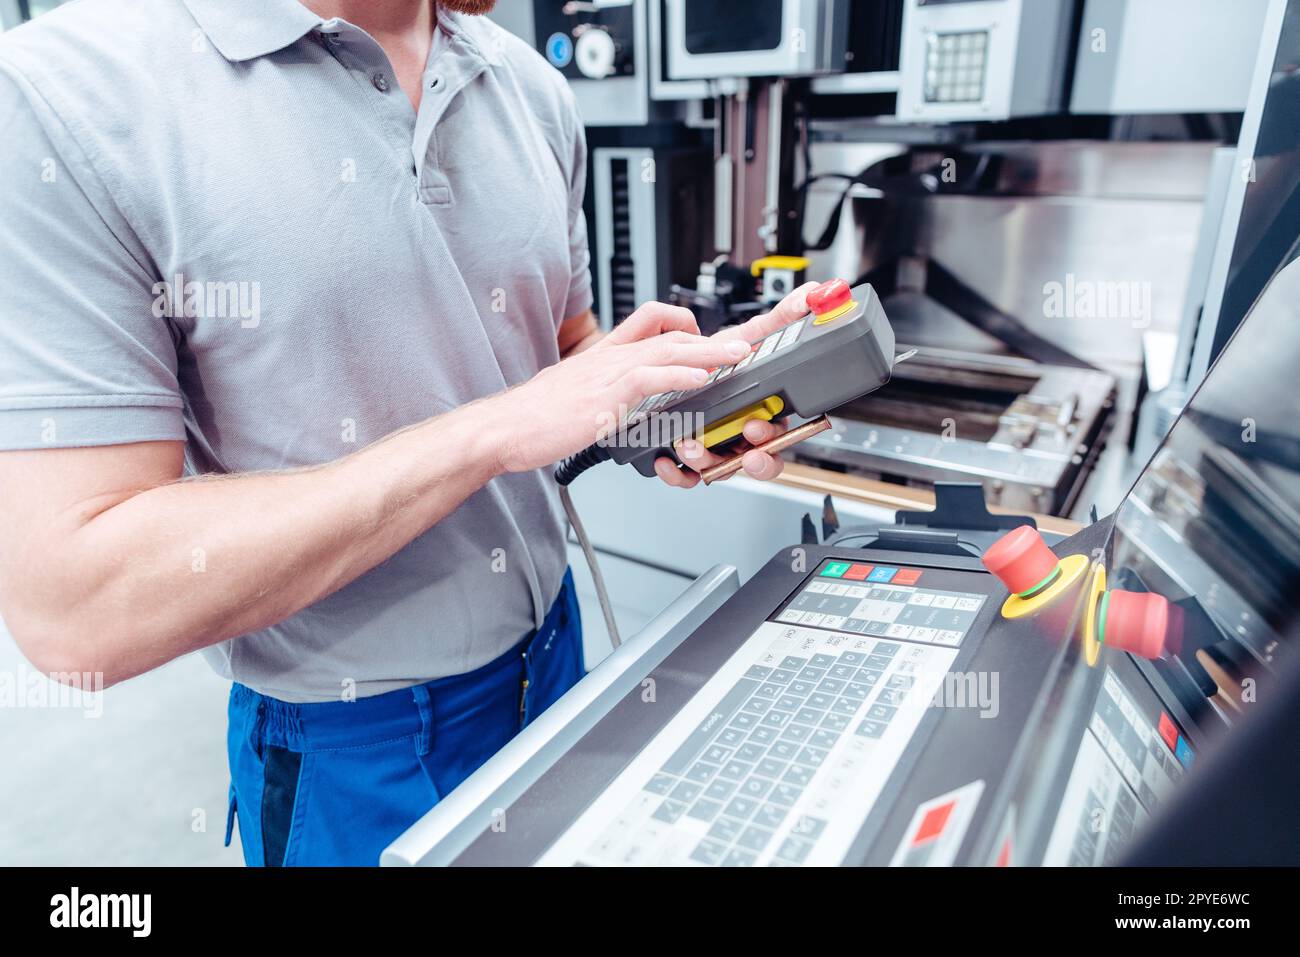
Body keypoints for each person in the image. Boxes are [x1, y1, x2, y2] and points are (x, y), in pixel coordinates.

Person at [0, 0, 812, 865]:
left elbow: (563, 352)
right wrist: (494, 431)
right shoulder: (67, 96)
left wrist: (669, 407)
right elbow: (76, 608)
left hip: (556, 657)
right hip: (356, 742)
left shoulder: (530, 84)